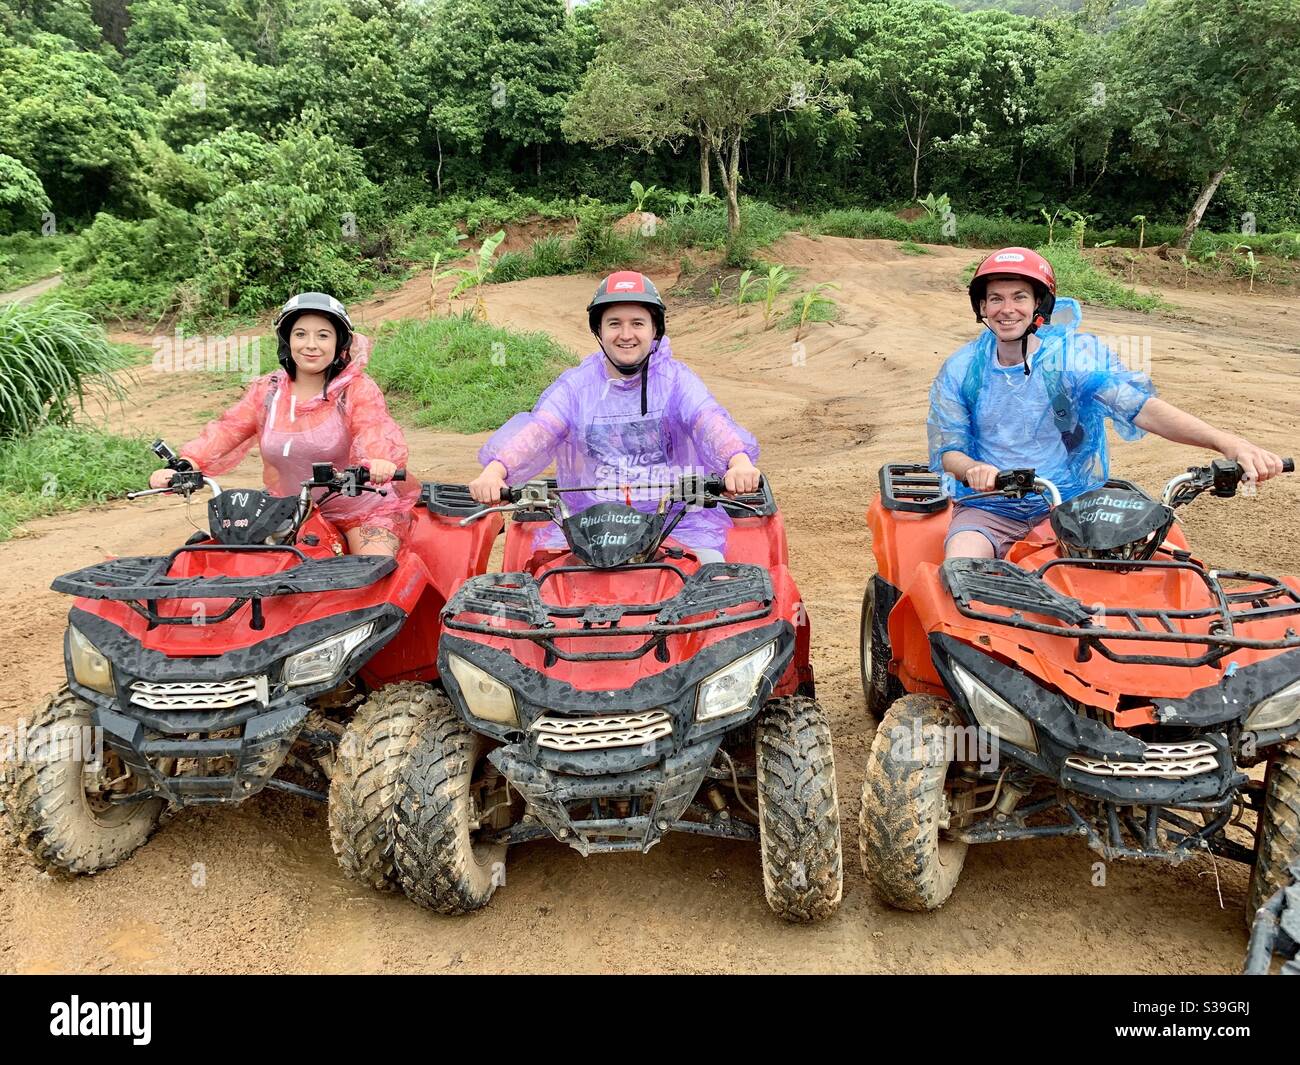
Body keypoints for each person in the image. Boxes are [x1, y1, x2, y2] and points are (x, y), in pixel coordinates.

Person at [929, 247, 1284, 559]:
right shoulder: (962, 369)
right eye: (996, 298)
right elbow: (950, 449)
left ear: (1039, 304)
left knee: (1153, 570)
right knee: (961, 571)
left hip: (1069, 503)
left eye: (1019, 297)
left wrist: (1228, 442)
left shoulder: (1072, 358)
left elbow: (1141, 408)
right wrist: (974, 470)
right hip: (991, 508)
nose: (1007, 309)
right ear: (982, 307)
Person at [468, 271, 760, 563]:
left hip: (677, 521)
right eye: (614, 324)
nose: (626, 334)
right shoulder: (576, 387)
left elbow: (707, 419)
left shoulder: (677, 381)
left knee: (710, 579)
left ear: (655, 329)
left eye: (637, 323)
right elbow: (540, 429)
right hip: (591, 525)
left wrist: (738, 461)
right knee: (543, 583)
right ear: (599, 330)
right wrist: (497, 470)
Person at [148, 292, 413, 556]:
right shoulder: (268, 391)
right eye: (300, 334)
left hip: (360, 512)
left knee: (374, 569)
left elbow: (373, 427)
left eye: (323, 335)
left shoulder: (355, 390)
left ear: (338, 342)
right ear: (287, 339)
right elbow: (228, 429)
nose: (311, 344)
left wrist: (378, 461)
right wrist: (188, 463)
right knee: (237, 570)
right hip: (286, 511)